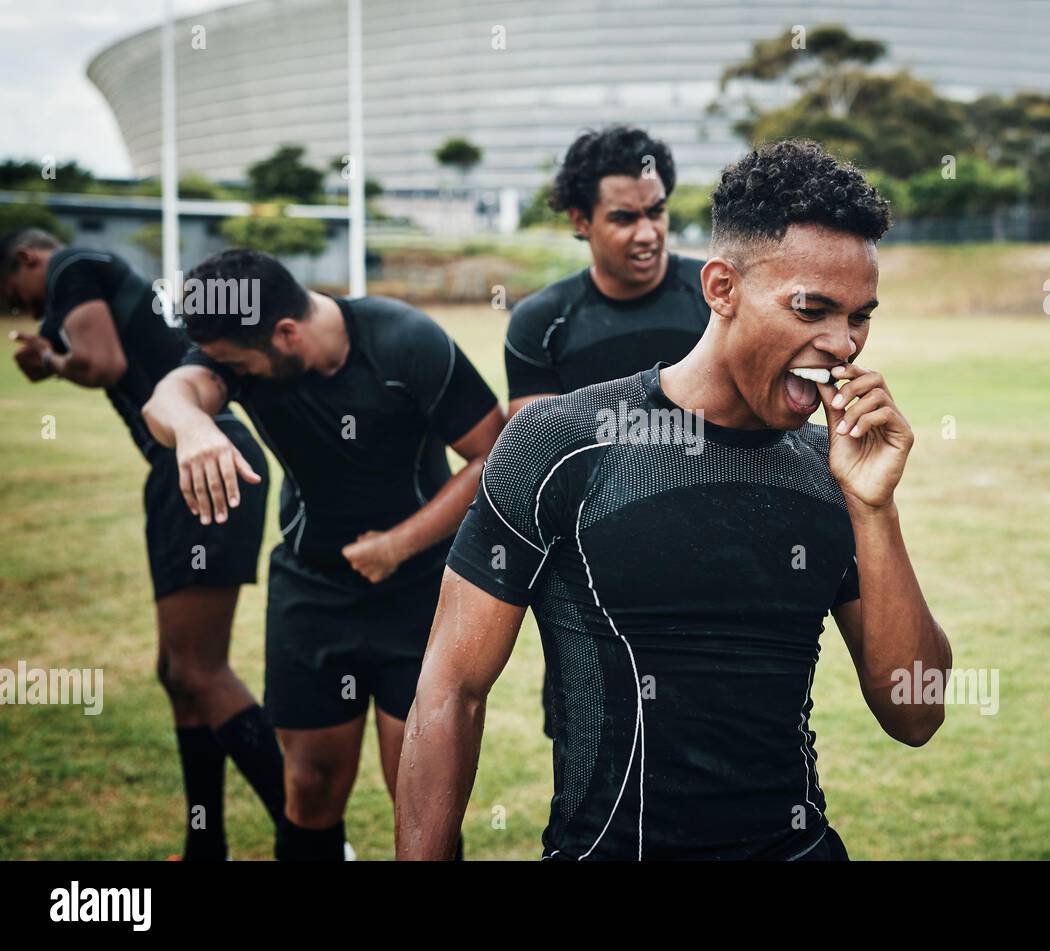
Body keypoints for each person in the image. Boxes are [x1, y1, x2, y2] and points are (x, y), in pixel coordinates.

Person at [395, 140, 953, 861]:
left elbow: (917, 714)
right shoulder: (561, 442)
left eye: (859, 316)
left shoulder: (831, 472)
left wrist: (876, 509)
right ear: (721, 288)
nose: (841, 345)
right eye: (812, 308)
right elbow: (451, 690)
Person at [142, 249, 505, 860]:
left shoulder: (403, 340)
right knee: (308, 785)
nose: (228, 374)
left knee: (417, 791)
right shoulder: (243, 355)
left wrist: (400, 544)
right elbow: (170, 395)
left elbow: (492, 452)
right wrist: (195, 426)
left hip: (417, 592)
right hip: (311, 591)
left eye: (235, 363)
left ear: (285, 333)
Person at [2, 230, 282, 861]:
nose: (20, 307)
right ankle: (205, 844)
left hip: (198, 458)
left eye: (13, 293)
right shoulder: (96, 273)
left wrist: (48, 363)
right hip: (190, 458)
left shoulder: (72, 262)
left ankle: (316, 838)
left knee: (199, 670)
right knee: (177, 673)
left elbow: (104, 365)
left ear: (27, 260)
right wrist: (51, 349)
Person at [507, 125, 711, 737]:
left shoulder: (717, 298)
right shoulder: (542, 321)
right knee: (591, 753)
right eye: (625, 217)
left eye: (658, 212)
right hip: (586, 580)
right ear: (580, 219)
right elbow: (538, 461)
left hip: (713, 559)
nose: (647, 233)